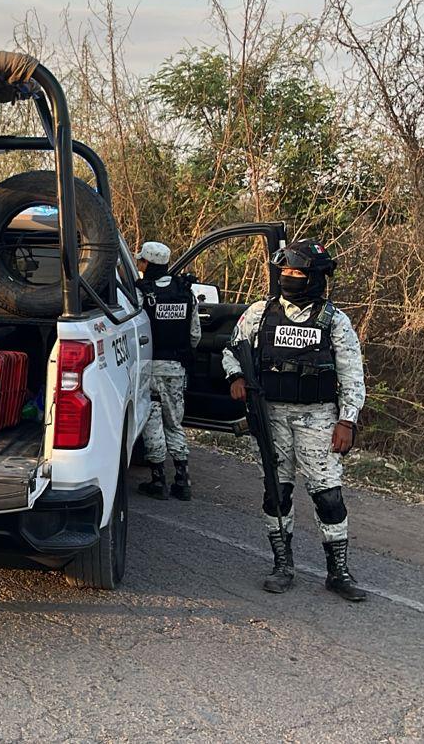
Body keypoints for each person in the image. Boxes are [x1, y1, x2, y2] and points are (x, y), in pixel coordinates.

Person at [222, 239, 368, 602]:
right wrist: (236, 378)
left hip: (318, 417)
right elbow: (231, 350)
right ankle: (282, 565)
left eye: (297, 273)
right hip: (271, 415)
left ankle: (338, 571)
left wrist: (347, 421)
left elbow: (352, 375)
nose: (288, 278)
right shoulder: (260, 312)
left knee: (328, 496)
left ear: (315, 278)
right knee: (277, 492)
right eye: (284, 271)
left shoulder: (334, 320)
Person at [134, 242, 199, 500]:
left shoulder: (142, 293)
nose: (139, 265)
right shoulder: (185, 292)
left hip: (149, 366)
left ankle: (158, 480)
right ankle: (182, 480)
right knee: (174, 422)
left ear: (147, 263)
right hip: (175, 367)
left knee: (152, 420)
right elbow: (194, 334)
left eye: (141, 261)